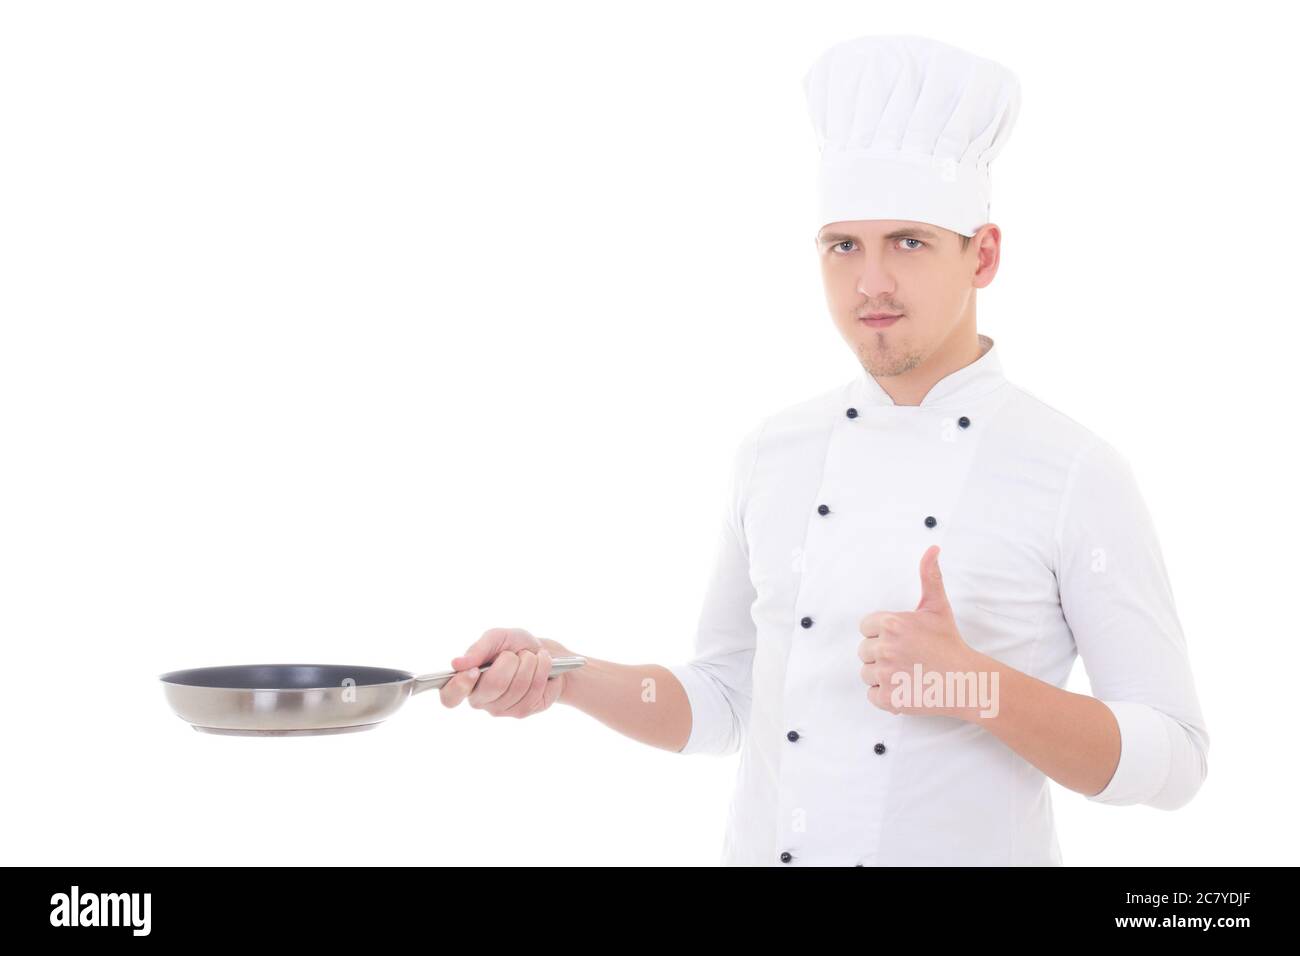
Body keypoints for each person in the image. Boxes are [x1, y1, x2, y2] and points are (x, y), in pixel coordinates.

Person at [438, 34, 1209, 866]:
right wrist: (567, 672)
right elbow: (726, 700)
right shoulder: (774, 451)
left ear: (981, 254)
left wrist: (972, 684)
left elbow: (1175, 761)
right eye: (844, 246)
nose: (870, 283)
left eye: (908, 241)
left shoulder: (1073, 472)